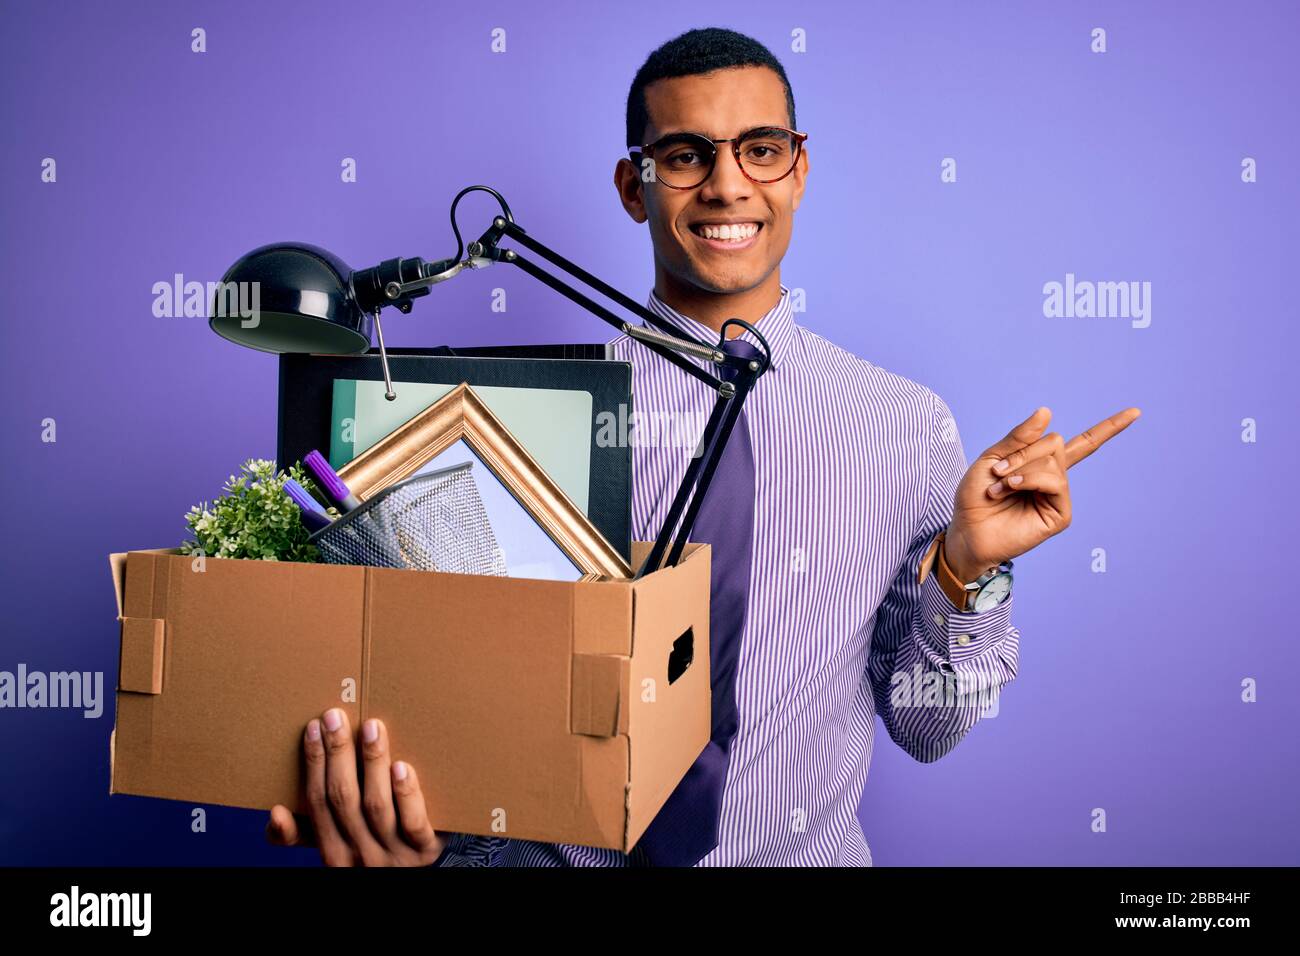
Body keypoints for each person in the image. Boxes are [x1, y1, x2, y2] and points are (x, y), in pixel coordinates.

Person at [266, 26, 1139, 867]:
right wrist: (430, 833)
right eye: (686, 155)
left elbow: (930, 729)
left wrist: (965, 570)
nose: (728, 186)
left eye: (761, 149)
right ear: (633, 185)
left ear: (799, 172)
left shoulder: (904, 427)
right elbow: (455, 686)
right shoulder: (513, 417)